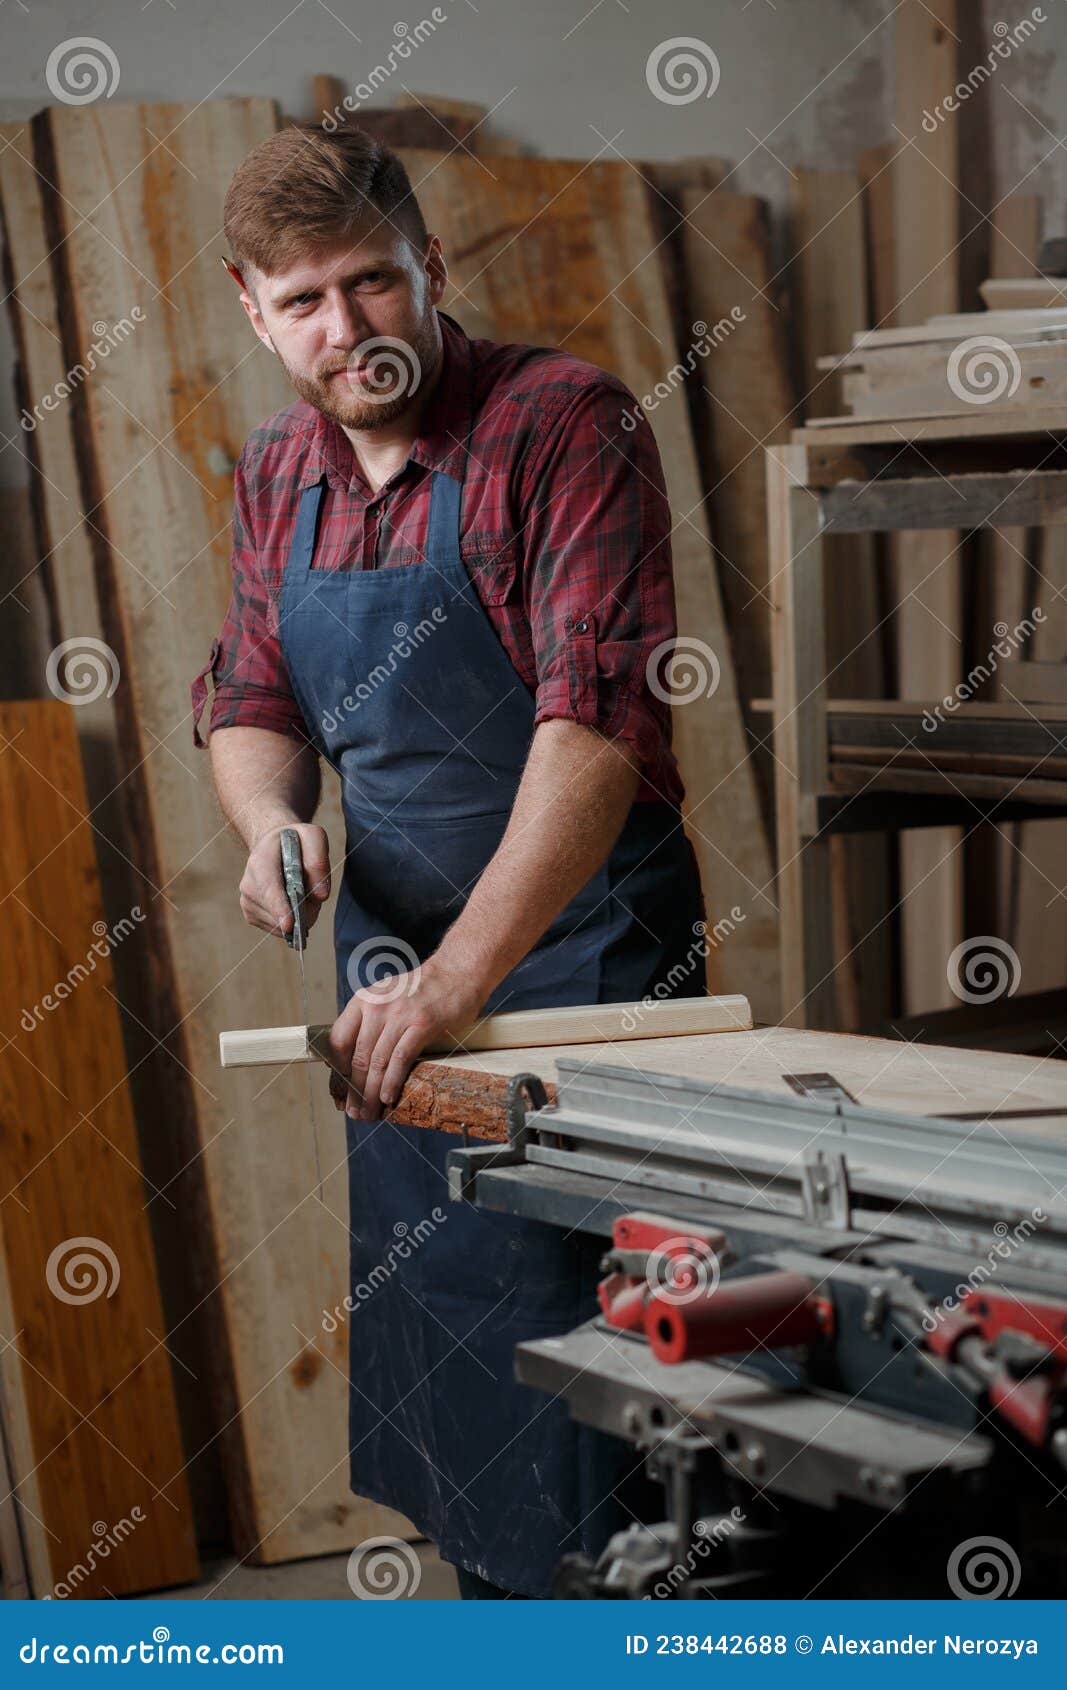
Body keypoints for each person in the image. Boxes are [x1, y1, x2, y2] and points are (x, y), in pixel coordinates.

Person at [191, 121, 706, 1599]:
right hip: (391, 998)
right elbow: (249, 700)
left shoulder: (563, 425)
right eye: (303, 303)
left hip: (582, 969)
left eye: (370, 283)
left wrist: (455, 982)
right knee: (465, 1426)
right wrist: (277, 825)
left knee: (597, 1425)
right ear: (252, 304)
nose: (345, 331)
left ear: (434, 261)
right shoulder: (280, 470)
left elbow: (592, 732)